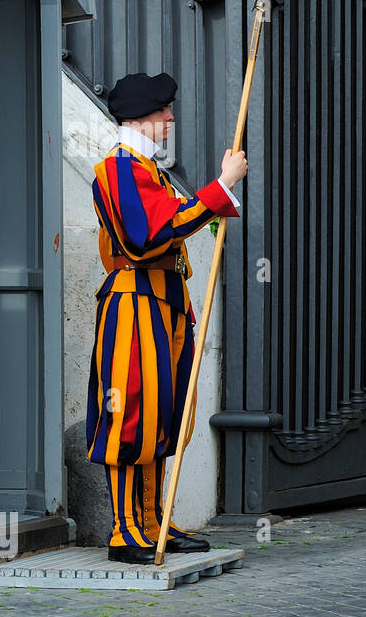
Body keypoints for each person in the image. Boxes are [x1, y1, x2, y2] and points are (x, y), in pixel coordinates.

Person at [85, 72, 247, 564]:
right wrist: (221, 187)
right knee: (130, 414)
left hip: (162, 306)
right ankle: (125, 529)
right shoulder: (116, 170)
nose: (170, 118)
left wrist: (213, 201)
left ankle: (153, 521)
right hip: (134, 307)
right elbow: (147, 236)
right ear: (138, 118)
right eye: (162, 112)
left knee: (163, 415)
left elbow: (178, 220)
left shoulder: (147, 171)